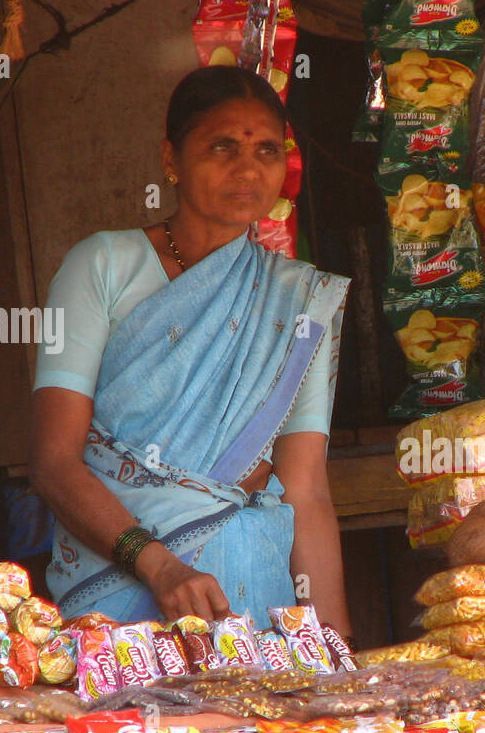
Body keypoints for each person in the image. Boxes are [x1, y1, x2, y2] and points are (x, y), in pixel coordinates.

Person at [30, 67, 352, 640]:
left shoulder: (299, 301)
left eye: (267, 149)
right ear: (171, 159)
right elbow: (56, 461)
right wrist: (159, 565)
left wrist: (335, 643)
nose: (248, 168)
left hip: (254, 586)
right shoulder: (101, 266)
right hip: (124, 587)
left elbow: (305, 489)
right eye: (222, 146)